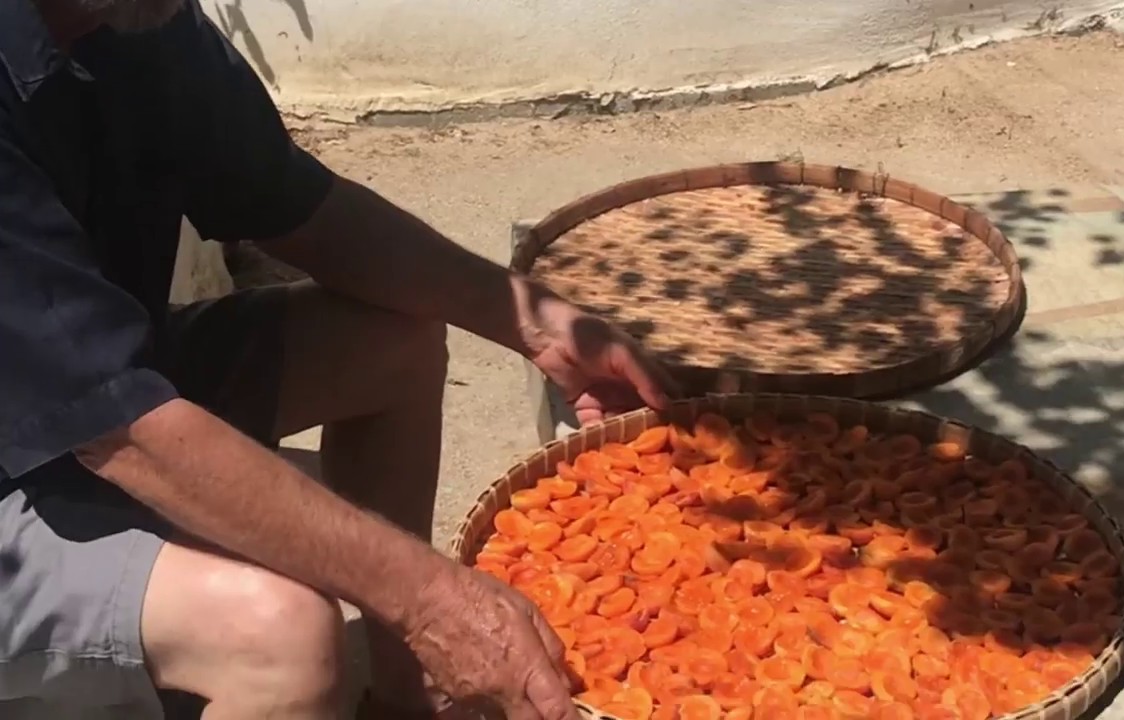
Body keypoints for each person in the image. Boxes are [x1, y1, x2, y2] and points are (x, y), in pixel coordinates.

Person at [0, 0, 677, 718]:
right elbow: (125, 435)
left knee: (396, 344)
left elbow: (303, 209)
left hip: (86, 393)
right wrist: (429, 599)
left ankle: (401, 702)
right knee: (278, 636)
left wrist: (535, 324)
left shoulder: (140, 19)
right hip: (58, 446)